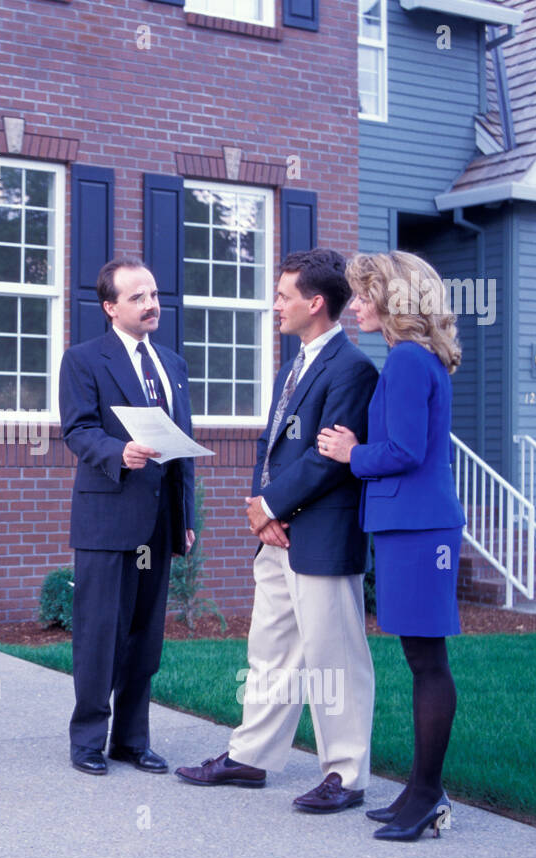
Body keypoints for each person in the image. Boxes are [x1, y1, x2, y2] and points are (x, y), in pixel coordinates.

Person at [176, 248, 379, 813]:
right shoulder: (294, 365)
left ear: (315, 303)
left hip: (322, 537)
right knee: (269, 652)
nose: (275, 305)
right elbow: (274, 449)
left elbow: (331, 458)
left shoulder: (354, 370)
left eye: (284, 296)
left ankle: (347, 773)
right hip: (279, 535)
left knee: (334, 659)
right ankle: (252, 757)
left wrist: (268, 505)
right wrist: (264, 512)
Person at [318, 250, 466, 841]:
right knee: (422, 660)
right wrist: (363, 443)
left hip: (420, 530)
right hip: (415, 527)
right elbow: (407, 442)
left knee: (428, 663)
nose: (354, 305)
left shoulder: (406, 360)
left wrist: (349, 453)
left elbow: (404, 452)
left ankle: (428, 794)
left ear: (393, 297)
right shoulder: (416, 358)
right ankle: (418, 789)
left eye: (363, 295)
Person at [57, 257, 197, 776]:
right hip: (108, 518)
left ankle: (131, 740)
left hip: (158, 524)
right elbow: (77, 430)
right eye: (137, 297)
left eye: (154, 294)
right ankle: (88, 741)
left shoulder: (173, 366)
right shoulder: (84, 360)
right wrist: (119, 453)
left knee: (145, 638)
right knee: (100, 633)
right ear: (110, 306)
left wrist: (184, 517)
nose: (151, 304)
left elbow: (180, 451)